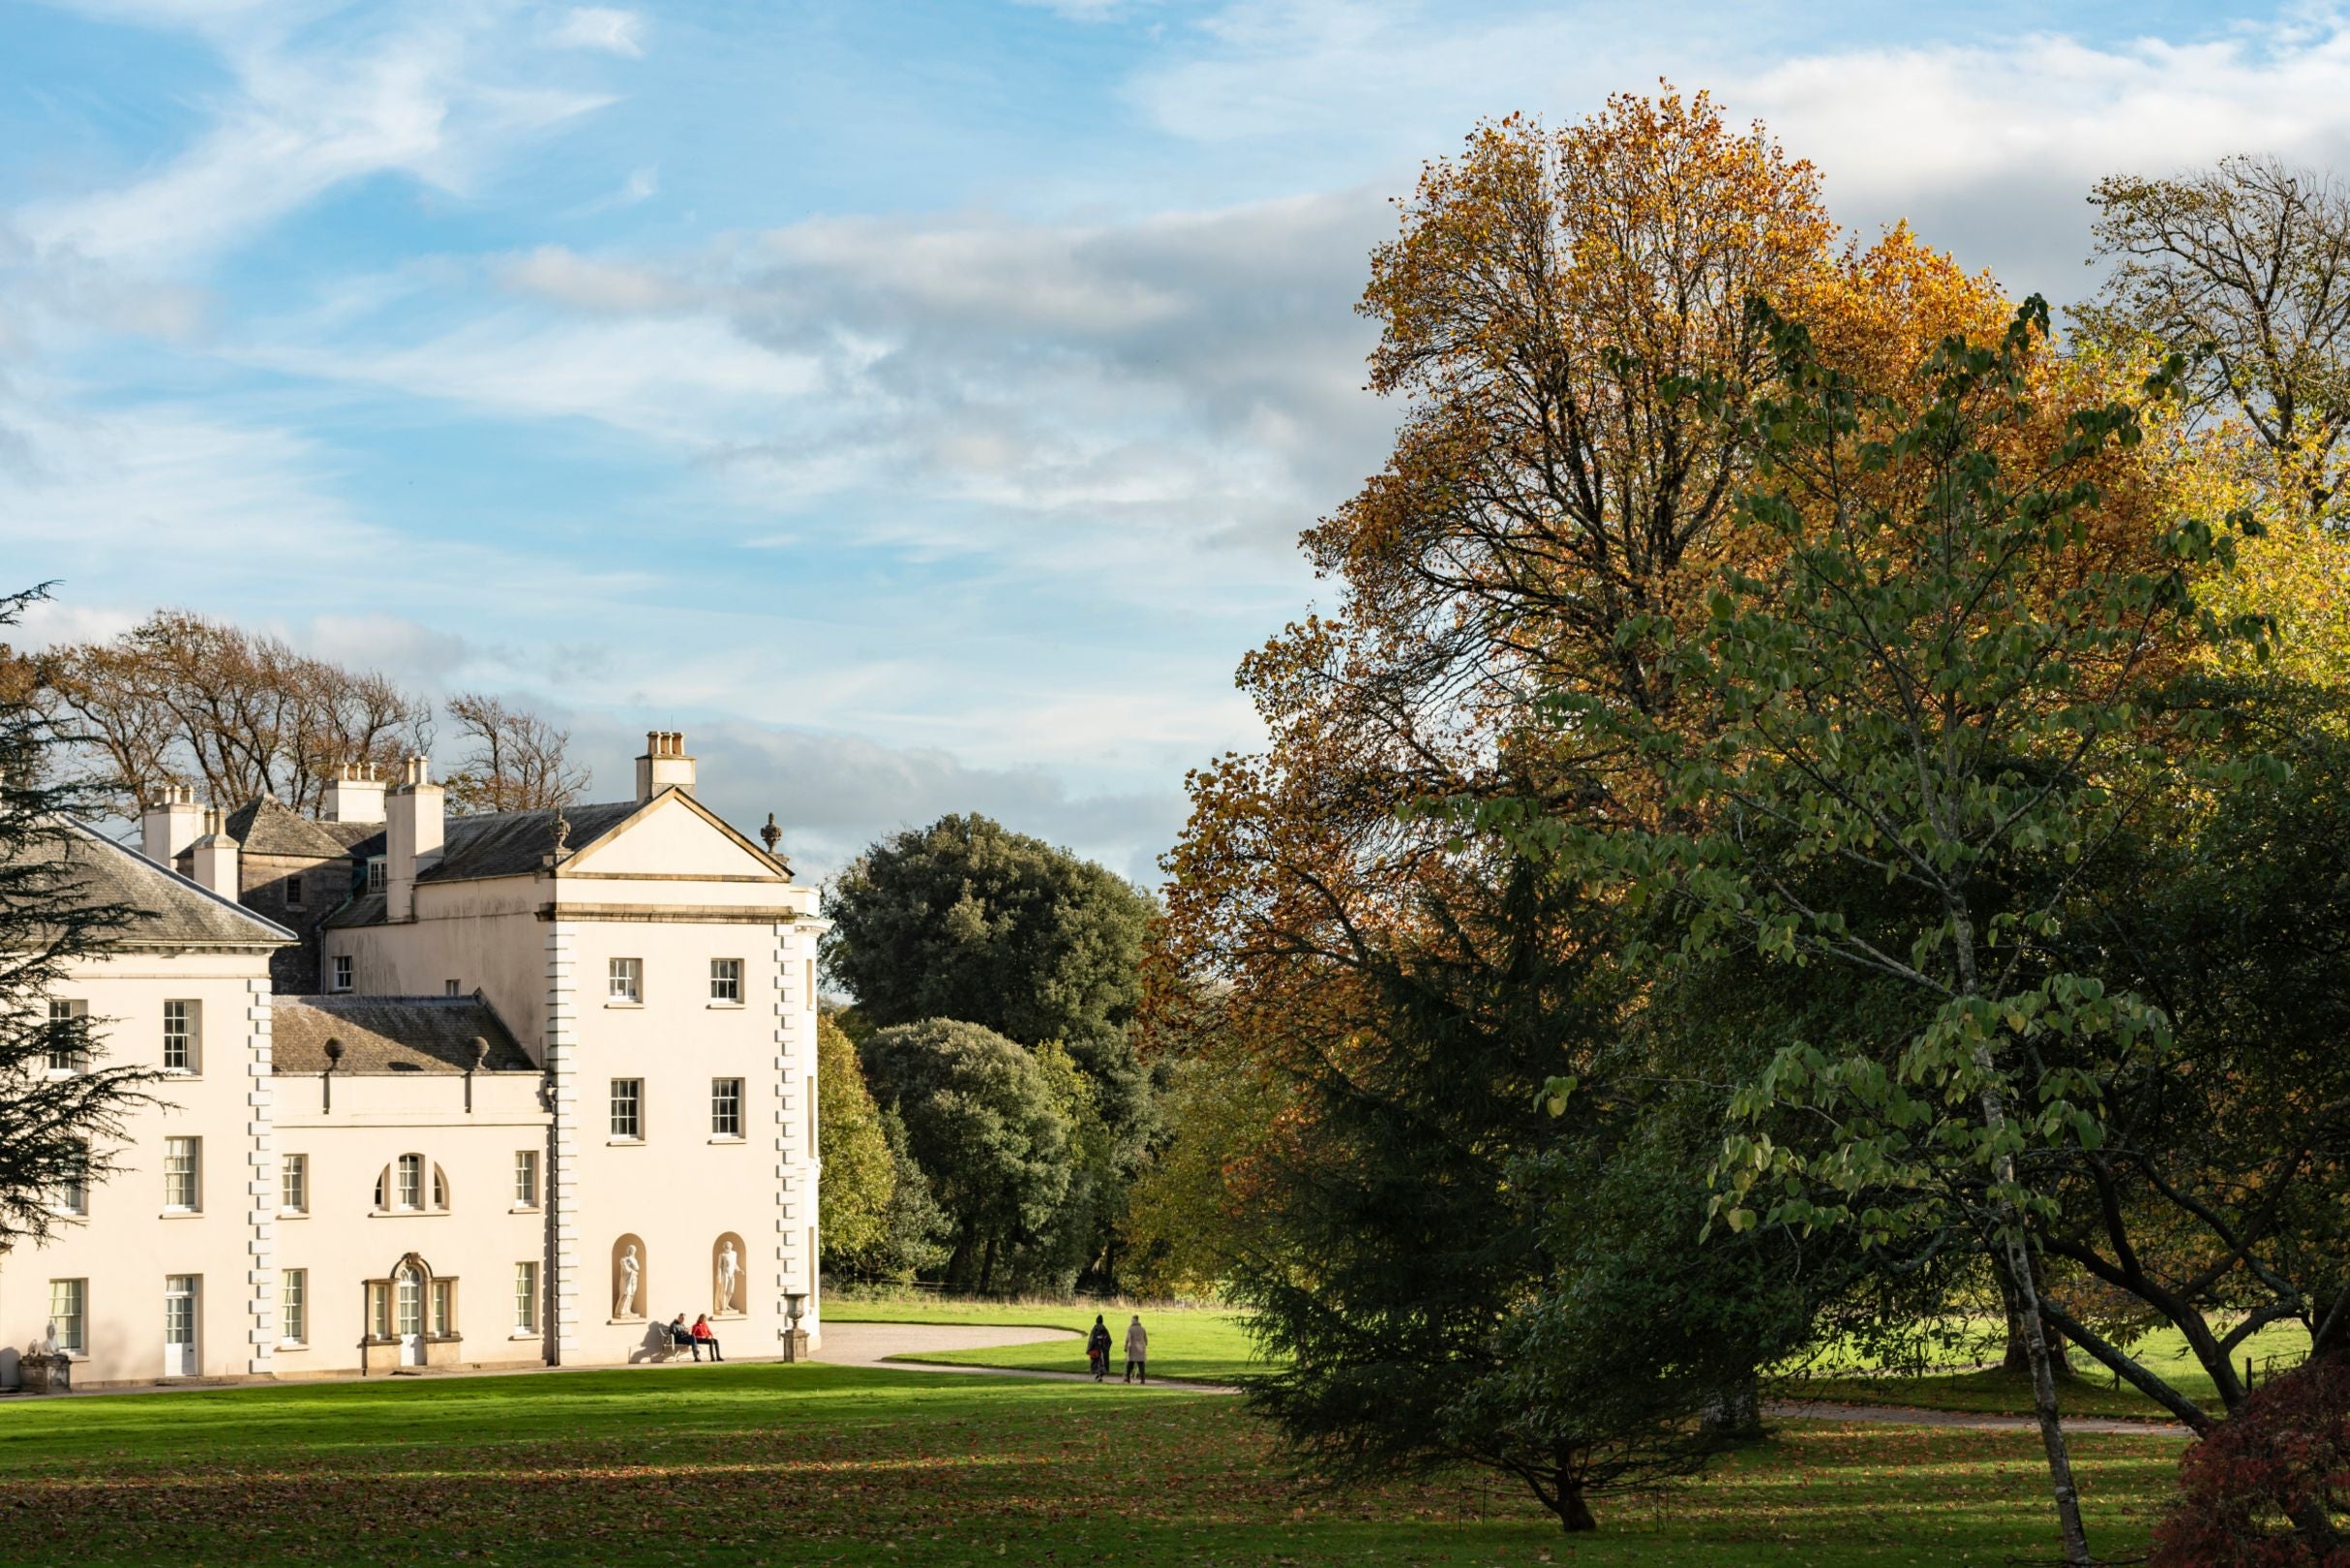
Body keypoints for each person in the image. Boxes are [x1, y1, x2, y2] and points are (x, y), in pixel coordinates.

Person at [1086, 1314, 1112, 1382]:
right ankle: (1100, 1376)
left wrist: (1089, 1349)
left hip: (1096, 1350)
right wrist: (1106, 1348)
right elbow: (1109, 1340)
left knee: (1097, 1364)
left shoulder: (1095, 1329)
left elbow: (1092, 1340)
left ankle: (1099, 1376)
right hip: (1103, 1350)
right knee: (1102, 1363)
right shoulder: (1104, 1329)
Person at [1123, 1314, 1148, 1383]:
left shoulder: (1130, 1329)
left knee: (1130, 1364)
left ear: (1134, 1320)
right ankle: (1142, 1379)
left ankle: (1128, 1379)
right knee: (1141, 1365)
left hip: (1132, 1348)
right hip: (1141, 1348)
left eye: (1132, 1320)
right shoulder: (1142, 1329)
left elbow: (1127, 1339)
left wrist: (1125, 1347)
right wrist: (1145, 1344)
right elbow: (1145, 1339)